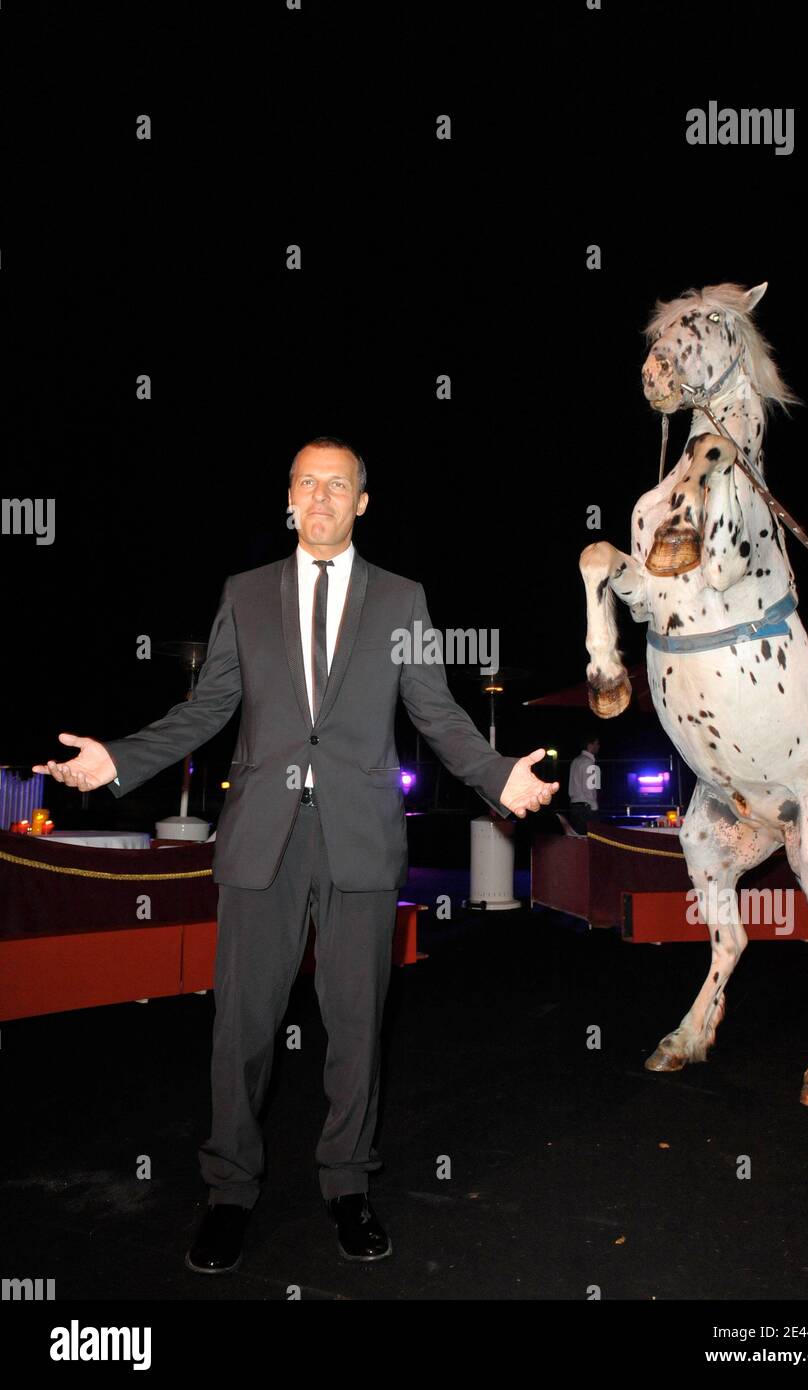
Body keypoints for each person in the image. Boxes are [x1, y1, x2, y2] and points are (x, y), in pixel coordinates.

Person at [33, 436, 558, 1275]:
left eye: (337, 486)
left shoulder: (401, 599)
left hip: (359, 840)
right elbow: (207, 710)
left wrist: (499, 775)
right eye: (307, 484)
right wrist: (119, 759)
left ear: (361, 503)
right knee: (241, 1029)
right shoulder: (245, 594)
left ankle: (347, 1184)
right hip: (261, 843)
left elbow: (437, 710)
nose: (320, 498)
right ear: (288, 497)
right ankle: (229, 1191)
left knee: (357, 1028)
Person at [567, 737, 600, 834]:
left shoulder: (576, 760)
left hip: (574, 806)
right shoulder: (588, 762)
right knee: (592, 840)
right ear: (590, 746)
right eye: (596, 744)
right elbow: (589, 788)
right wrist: (594, 807)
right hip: (586, 808)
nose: (598, 746)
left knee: (578, 840)